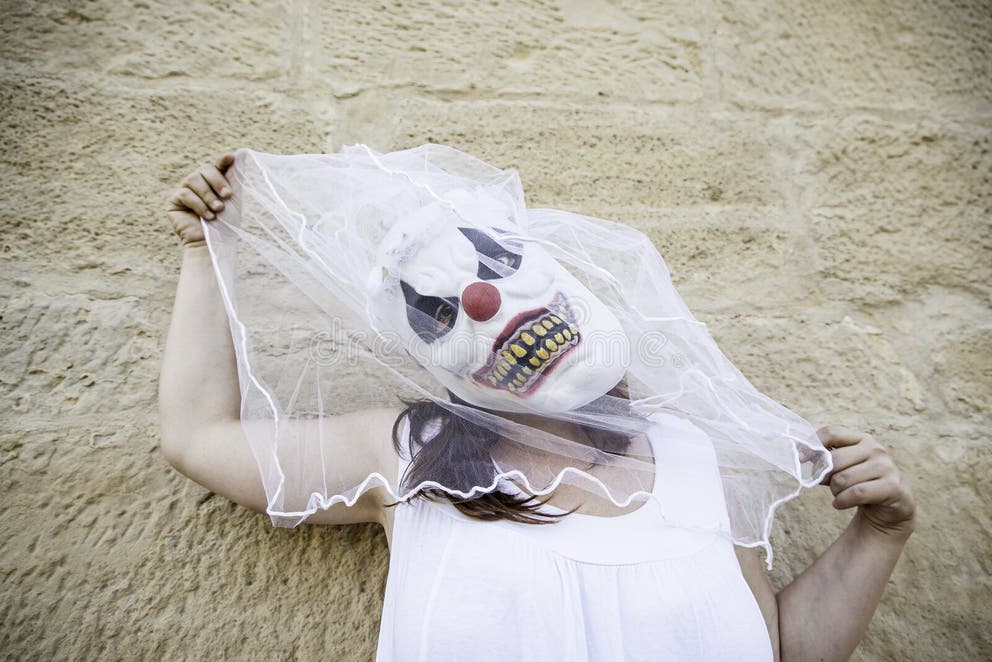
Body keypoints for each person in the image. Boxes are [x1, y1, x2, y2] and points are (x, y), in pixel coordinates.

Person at [160, 152, 916, 661]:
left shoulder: (694, 458)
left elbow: (777, 648)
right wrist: (204, 253)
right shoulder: (404, 456)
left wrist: (878, 534)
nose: (486, 301)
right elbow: (197, 436)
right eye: (439, 310)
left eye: (496, 264)